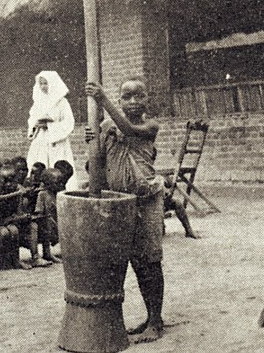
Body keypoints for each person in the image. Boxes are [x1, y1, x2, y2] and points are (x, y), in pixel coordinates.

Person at [87, 77, 166, 344]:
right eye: (126, 97)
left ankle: (155, 321)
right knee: (136, 261)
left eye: (138, 96)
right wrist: (94, 139)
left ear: (147, 99)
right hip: (121, 201)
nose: (133, 102)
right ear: (120, 100)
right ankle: (151, 316)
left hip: (147, 199)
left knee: (150, 260)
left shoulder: (149, 125)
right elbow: (97, 163)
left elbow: (129, 130)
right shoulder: (108, 126)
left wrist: (102, 100)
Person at [26, 71, 78, 189]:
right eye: (41, 84)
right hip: (41, 139)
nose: (43, 86)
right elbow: (32, 119)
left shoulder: (62, 102)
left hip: (57, 141)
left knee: (58, 166)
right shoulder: (38, 102)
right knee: (39, 164)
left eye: (46, 83)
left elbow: (69, 122)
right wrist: (36, 125)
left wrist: (50, 126)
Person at [33, 168, 63, 264]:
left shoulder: (57, 194)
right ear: (48, 183)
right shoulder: (43, 194)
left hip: (55, 223)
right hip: (47, 224)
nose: (60, 185)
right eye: (56, 183)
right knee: (46, 224)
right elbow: (39, 211)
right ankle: (47, 253)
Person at [162, 174, 199, 239]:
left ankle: (189, 230)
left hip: (159, 201)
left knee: (177, 203)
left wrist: (169, 181)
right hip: (146, 205)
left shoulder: (151, 170)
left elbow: (167, 183)